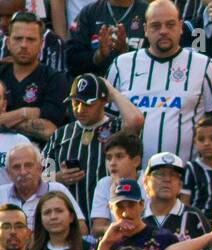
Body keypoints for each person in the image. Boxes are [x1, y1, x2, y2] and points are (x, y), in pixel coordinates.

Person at [107, 0, 212, 159]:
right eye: (156, 26)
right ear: (145, 29)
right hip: (133, 178)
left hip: (185, 176)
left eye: (170, 25)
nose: (163, 31)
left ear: (181, 27)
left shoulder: (204, 66)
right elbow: (108, 121)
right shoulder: (121, 65)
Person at [42, 73, 144, 219]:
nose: (79, 109)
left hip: (111, 216)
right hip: (72, 221)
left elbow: (136, 121)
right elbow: (40, 175)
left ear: (103, 102)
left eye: (87, 104)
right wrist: (58, 177)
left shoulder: (117, 128)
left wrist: (113, 92)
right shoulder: (61, 134)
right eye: (75, 102)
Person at [0, 13, 68, 145]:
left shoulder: (54, 80)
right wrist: (27, 113)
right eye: (18, 38)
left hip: (38, 155)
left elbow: (49, 130)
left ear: (42, 44)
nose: (24, 45)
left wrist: (5, 119)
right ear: (8, 42)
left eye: (31, 39)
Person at [0, 143, 87, 230]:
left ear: (40, 168)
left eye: (28, 165)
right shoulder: (1, 193)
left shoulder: (57, 190)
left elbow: (81, 229)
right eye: (16, 167)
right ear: (8, 173)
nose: (23, 172)